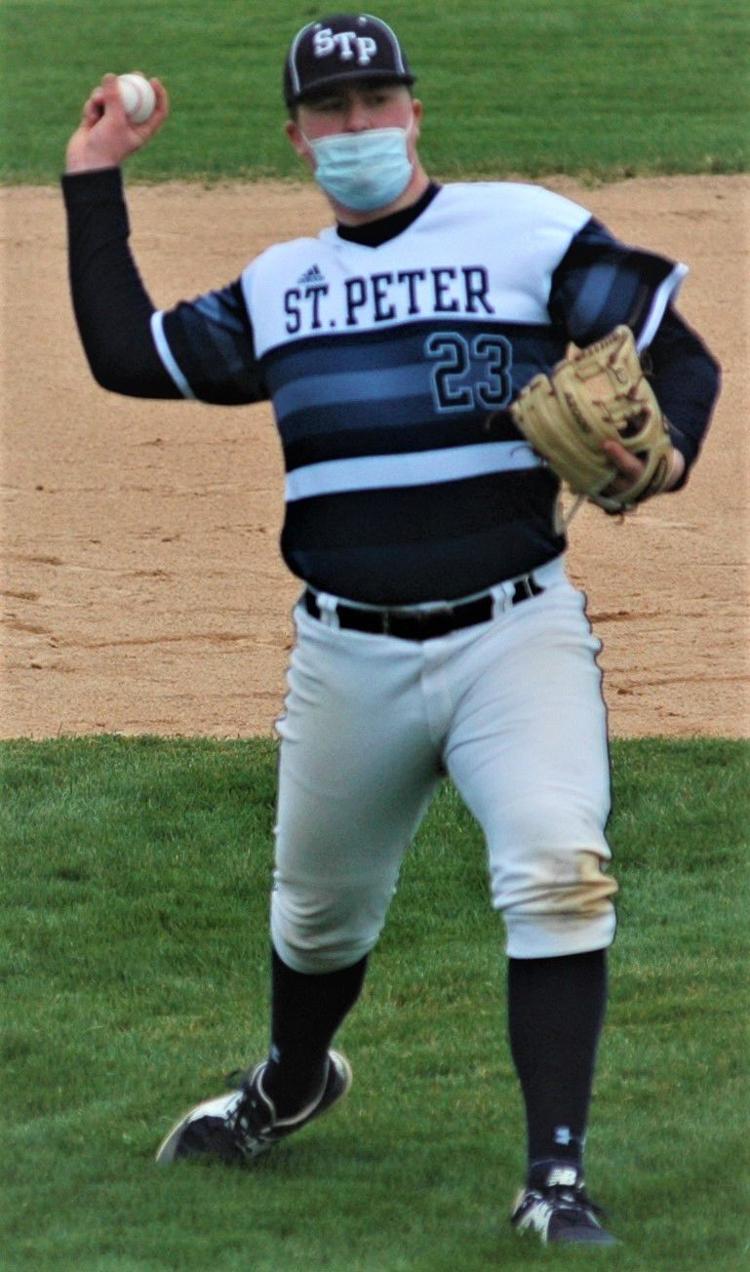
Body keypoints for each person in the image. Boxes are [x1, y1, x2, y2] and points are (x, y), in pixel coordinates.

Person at [62, 13, 720, 1248]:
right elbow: (123, 355)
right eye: (332, 111)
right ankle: (291, 1081)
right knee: (317, 922)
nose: (358, 126)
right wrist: (93, 178)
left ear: (415, 112)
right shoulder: (279, 289)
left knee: (555, 871)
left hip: (513, 638)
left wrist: (667, 453)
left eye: (378, 102)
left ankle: (554, 1185)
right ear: (299, 137)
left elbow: (673, 347)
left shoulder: (526, 232)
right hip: (346, 655)